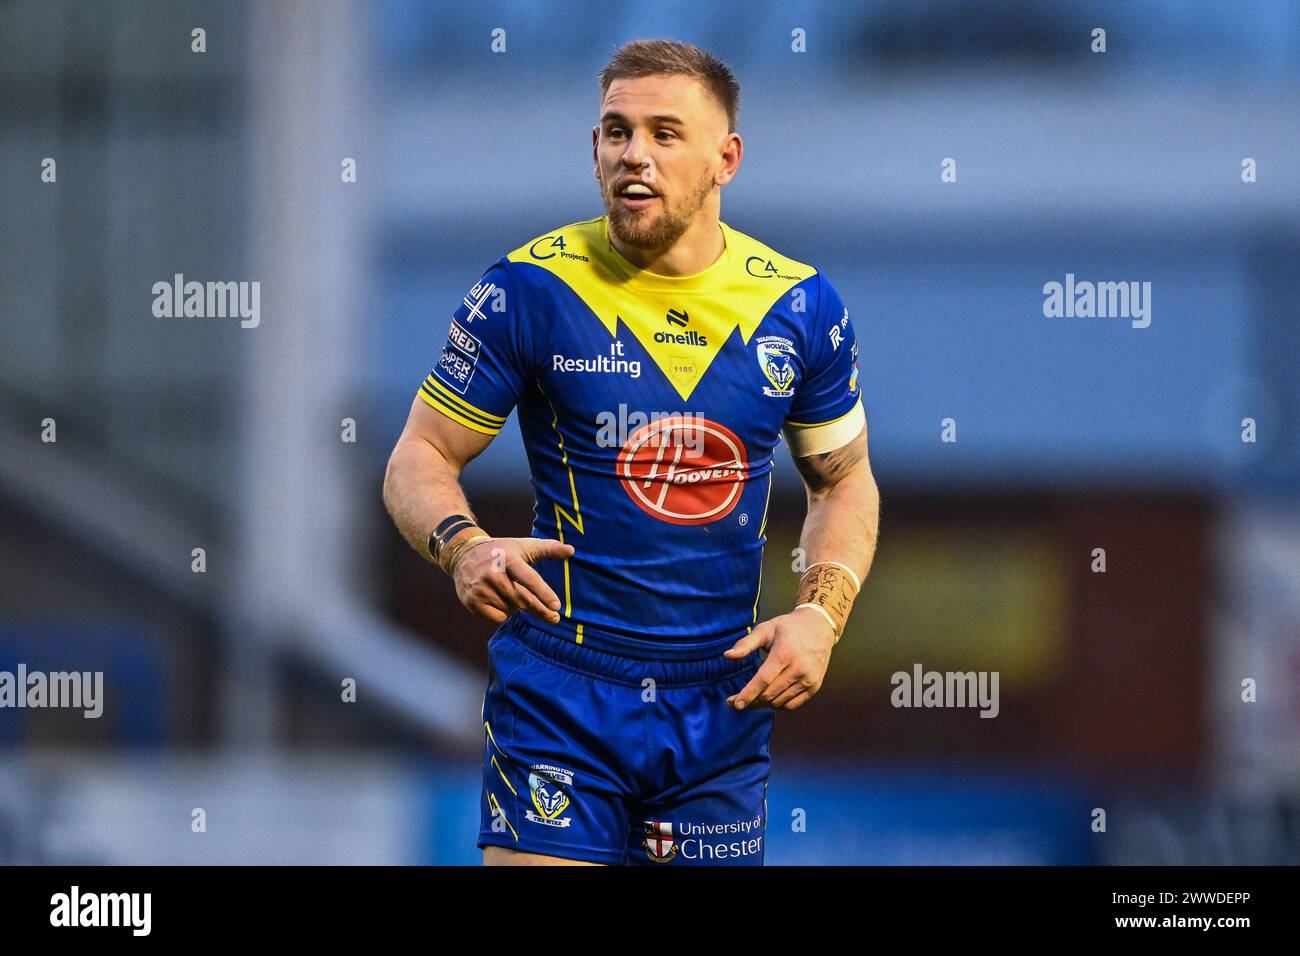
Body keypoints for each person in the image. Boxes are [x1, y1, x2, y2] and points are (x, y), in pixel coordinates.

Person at [383, 38, 880, 865]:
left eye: (663, 133)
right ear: (593, 149)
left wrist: (821, 619)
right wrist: (460, 547)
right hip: (562, 687)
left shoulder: (800, 306)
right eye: (616, 132)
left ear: (726, 159)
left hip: (720, 695)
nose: (633, 155)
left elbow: (844, 484)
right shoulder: (527, 291)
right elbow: (419, 455)